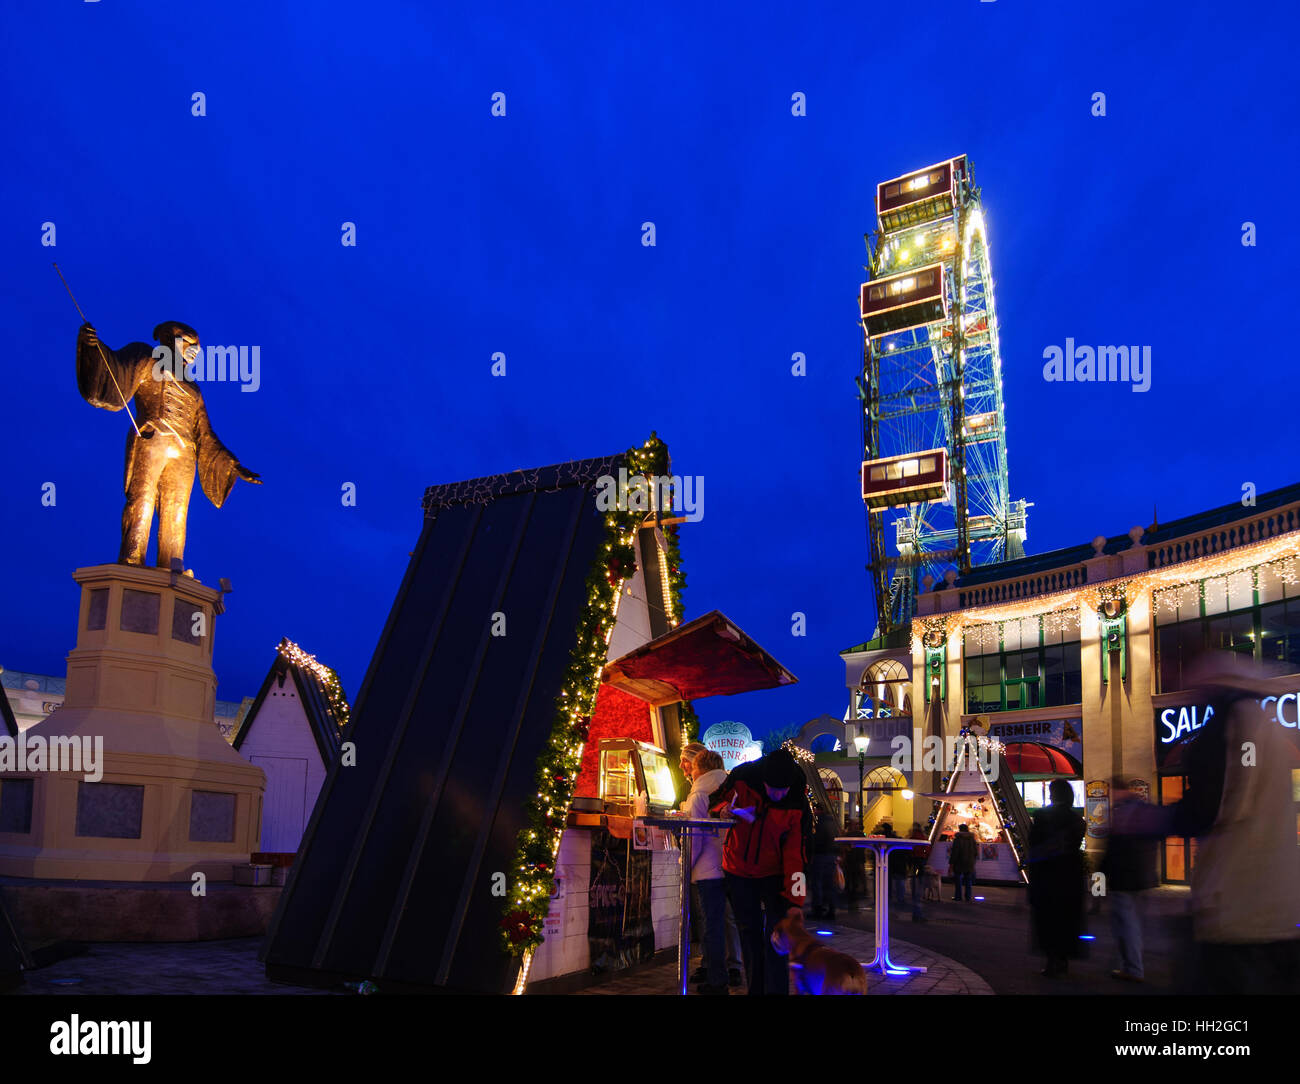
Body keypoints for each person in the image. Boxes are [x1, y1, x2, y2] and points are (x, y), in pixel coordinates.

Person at [1163, 668, 1300, 994]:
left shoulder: (1233, 718)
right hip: (1278, 912)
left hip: (1236, 913)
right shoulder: (1266, 723)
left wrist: (1150, 819)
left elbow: (1212, 807)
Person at [710, 748, 809, 995]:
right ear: (763, 780)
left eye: (782, 790)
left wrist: (795, 900)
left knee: (776, 937)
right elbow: (715, 799)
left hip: (774, 873)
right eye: (772, 788)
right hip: (738, 868)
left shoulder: (797, 801)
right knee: (749, 933)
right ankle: (755, 990)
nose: (777, 794)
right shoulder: (743, 776)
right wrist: (722, 809)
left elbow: (797, 855)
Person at [1099, 777, 1157, 982]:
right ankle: (1130, 965)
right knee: (1132, 923)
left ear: (1118, 790)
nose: (1110, 795)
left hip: (1125, 877)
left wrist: (1102, 874)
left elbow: (1115, 848)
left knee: (1126, 924)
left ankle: (1132, 968)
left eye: (1111, 790)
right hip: (1140, 877)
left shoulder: (1123, 812)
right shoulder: (1141, 808)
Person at [682, 749, 730, 994]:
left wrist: (685, 864)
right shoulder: (729, 787)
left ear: (699, 767)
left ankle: (716, 981)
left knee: (711, 927)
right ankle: (730, 971)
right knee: (726, 923)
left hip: (707, 869)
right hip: (730, 865)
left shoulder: (699, 792)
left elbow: (696, 837)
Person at [1026, 779, 1086, 977]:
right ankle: (1063, 959)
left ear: (1053, 794)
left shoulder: (1043, 816)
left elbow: (1033, 845)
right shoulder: (1078, 820)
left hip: (1048, 875)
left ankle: (1052, 960)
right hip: (1070, 876)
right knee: (1067, 919)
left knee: (1048, 919)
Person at [809, 804, 839, 920]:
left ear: (819, 810)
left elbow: (817, 841)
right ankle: (831, 908)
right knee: (829, 884)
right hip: (831, 855)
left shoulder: (820, 824)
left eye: (816, 809)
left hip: (821, 856)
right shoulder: (832, 823)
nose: (815, 812)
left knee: (817, 883)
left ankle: (818, 908)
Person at [841, 818, 868, 911]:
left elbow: (844, 847)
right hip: (858, 861)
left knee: (850, 880)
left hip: (851, 861)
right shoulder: (861, 835)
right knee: (856, 880)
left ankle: (851, 898)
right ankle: (856, 897)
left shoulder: (848, 835)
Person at [908, 822, 930, 922]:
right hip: (920, 862)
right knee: (919, 889)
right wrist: (924, 856)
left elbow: (909, 851)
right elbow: (927, 850)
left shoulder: (911, 838)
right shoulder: (923, 837)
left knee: (915, 889)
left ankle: (916, 913)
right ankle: (918, 914)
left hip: (914, 863)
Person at [949, 822, 977, 902]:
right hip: (969, 862)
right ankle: (968, 897)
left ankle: (958, 896)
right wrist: (973, 860)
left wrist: (951, 863)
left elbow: (955, 852)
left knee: (958, 880)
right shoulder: (972, 839)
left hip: (959, 862)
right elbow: (975, 852)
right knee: (968, 880)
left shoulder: (957, 839)